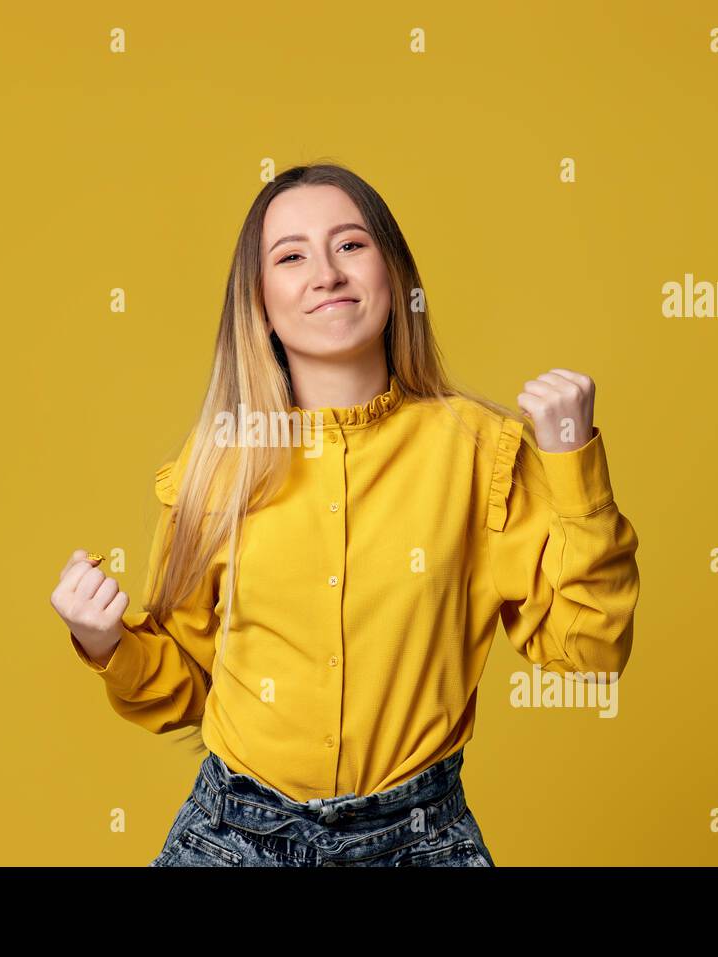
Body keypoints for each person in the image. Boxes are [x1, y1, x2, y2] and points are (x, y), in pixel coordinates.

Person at [51, 162, 640, 866]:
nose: (325, 273)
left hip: (419, 839)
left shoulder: (485, 453)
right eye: (291, 256)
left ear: (393, 275)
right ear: (262, 303)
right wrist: (104, 640)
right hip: (234, 837)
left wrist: (573, 465)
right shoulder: (217, 466)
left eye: (351, 245)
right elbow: (181, 687)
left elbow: (590, 653)